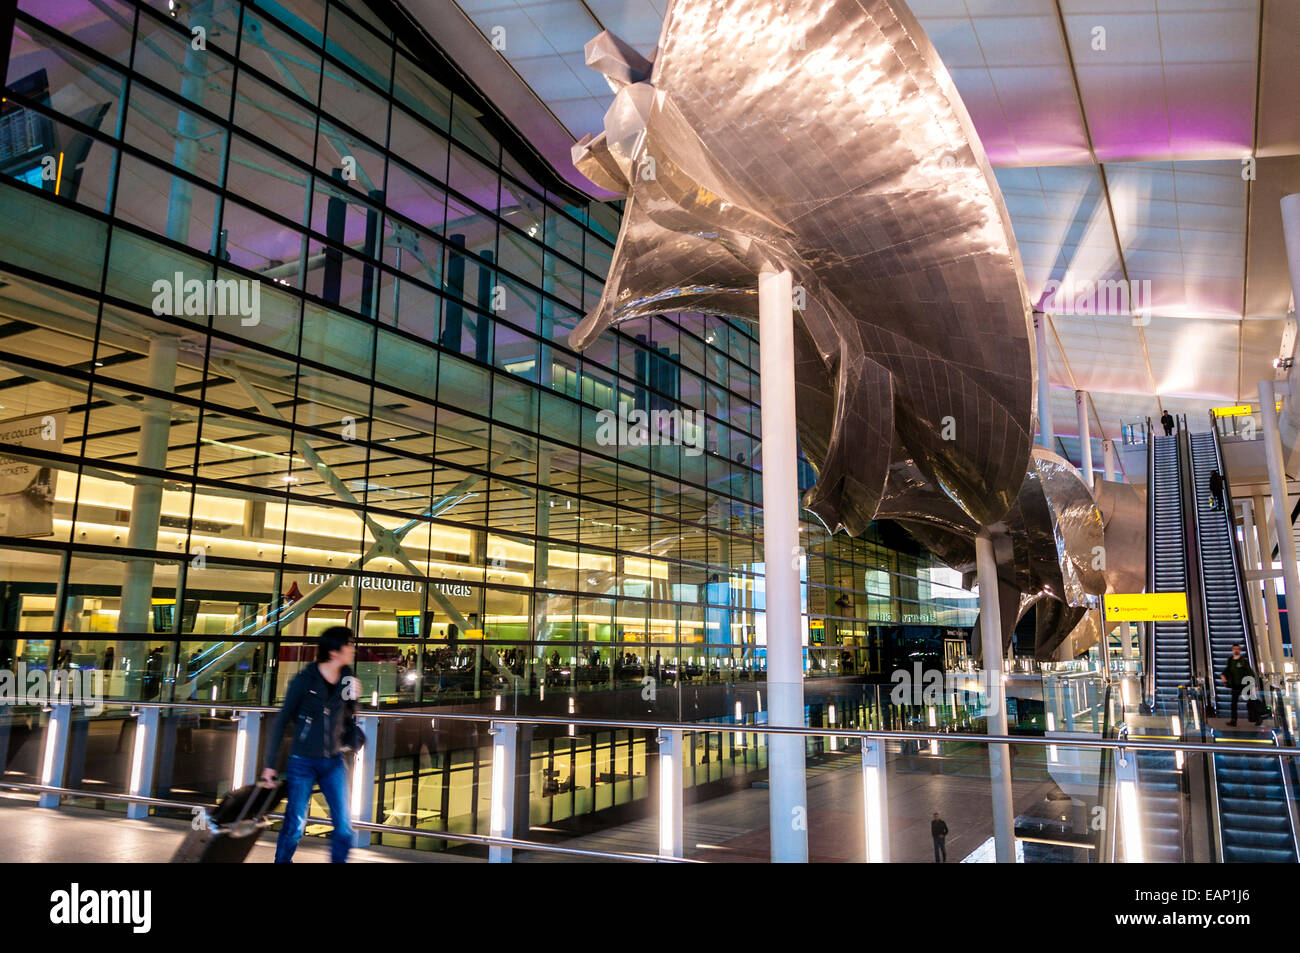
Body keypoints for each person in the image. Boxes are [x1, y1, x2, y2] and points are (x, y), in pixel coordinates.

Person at [261, 626, 363, 863]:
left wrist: (355, 699)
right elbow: (282, 719)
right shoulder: (304, 680)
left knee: (344, 827)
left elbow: (348, 718)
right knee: (295, 823)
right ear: (334, 650)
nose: (353, 649)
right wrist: (270, 765)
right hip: (303, 760)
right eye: (348, 644)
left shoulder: (348, 678)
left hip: (334, 760)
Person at [1219, 643, 1256, 727]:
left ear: (1240, 650)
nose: (1236, 650)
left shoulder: (1243, 661)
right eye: (1234, 649)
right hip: (1235, 685)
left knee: (1250, 702)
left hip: (1245, 685)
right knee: (1233, 703)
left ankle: (1253, 717)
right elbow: (1227, 669)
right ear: (1232, 650)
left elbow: (1250, 672)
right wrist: (1223, 675)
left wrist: (1254, 685)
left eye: (1237, 649)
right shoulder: (1230, 660)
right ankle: (1233, 720)